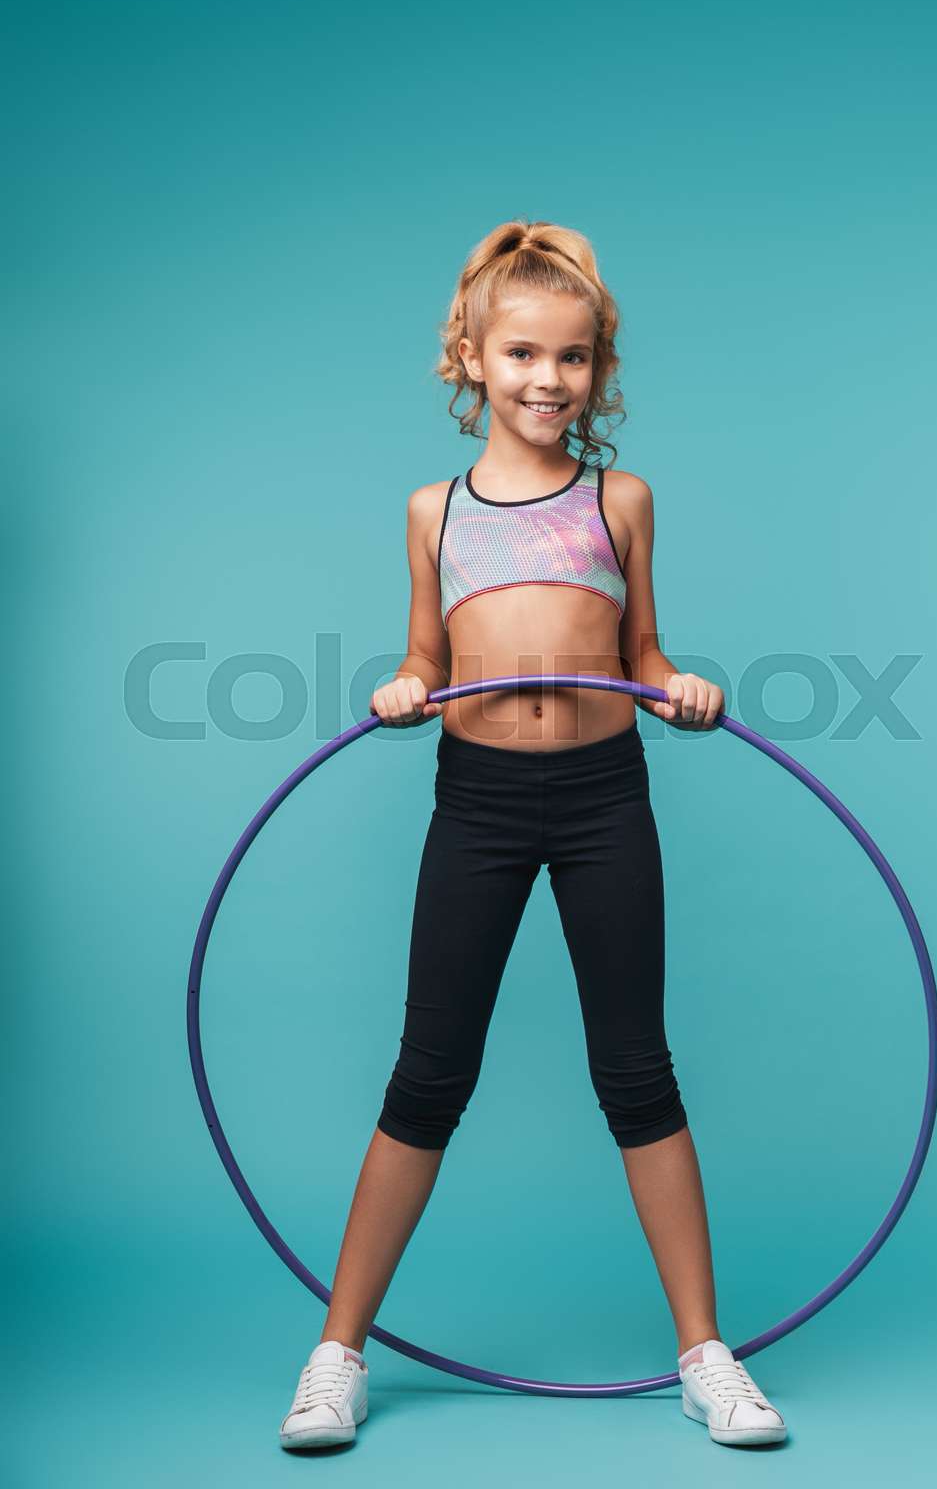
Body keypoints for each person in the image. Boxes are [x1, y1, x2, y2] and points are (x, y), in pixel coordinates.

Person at [279, 218, 788, 1452]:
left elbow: (644, 653)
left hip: (608, 796)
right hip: (479, 803)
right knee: (428, 1073)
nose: (546, 380)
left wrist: (685, 687)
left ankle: (703, 1354)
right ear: (469, 356)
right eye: (520, 354)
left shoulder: (622, 499)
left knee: (637, 1070)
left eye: (572, 359)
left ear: (597, 369)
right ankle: (337, 1352)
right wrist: (400, 690)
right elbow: (423, 656)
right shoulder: (432, 511)